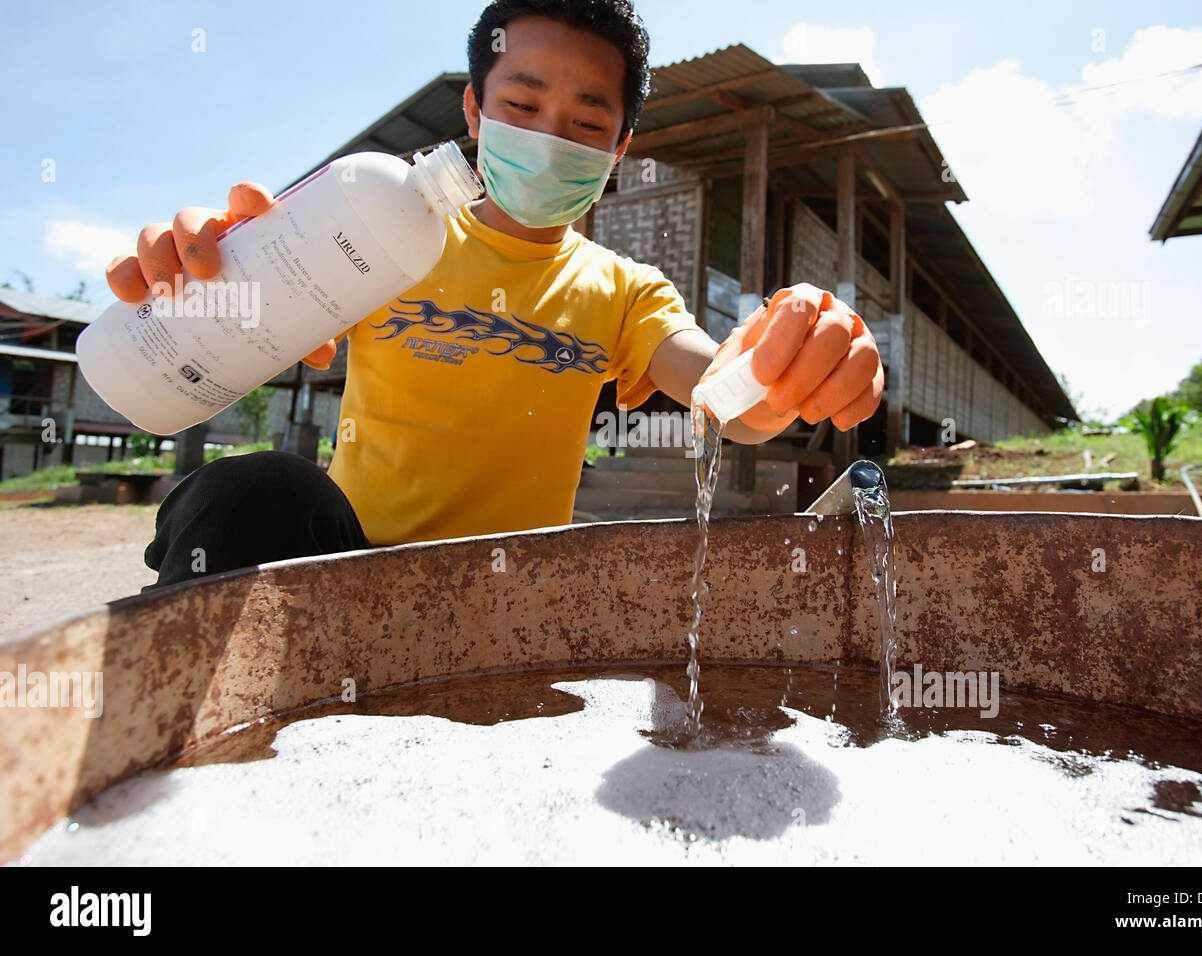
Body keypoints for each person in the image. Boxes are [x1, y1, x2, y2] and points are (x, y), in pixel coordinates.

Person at [105, 0, 884, 591]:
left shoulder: (622, 290)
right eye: (521, 105)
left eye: (586, 121)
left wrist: (786, 365)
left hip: (507, 602)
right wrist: (201, 278)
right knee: (253, 490)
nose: (550, 138)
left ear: (620, 150)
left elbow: (724, 394)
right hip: (342, 573)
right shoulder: (378, 240)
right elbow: (233, 328)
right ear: (474, 112)